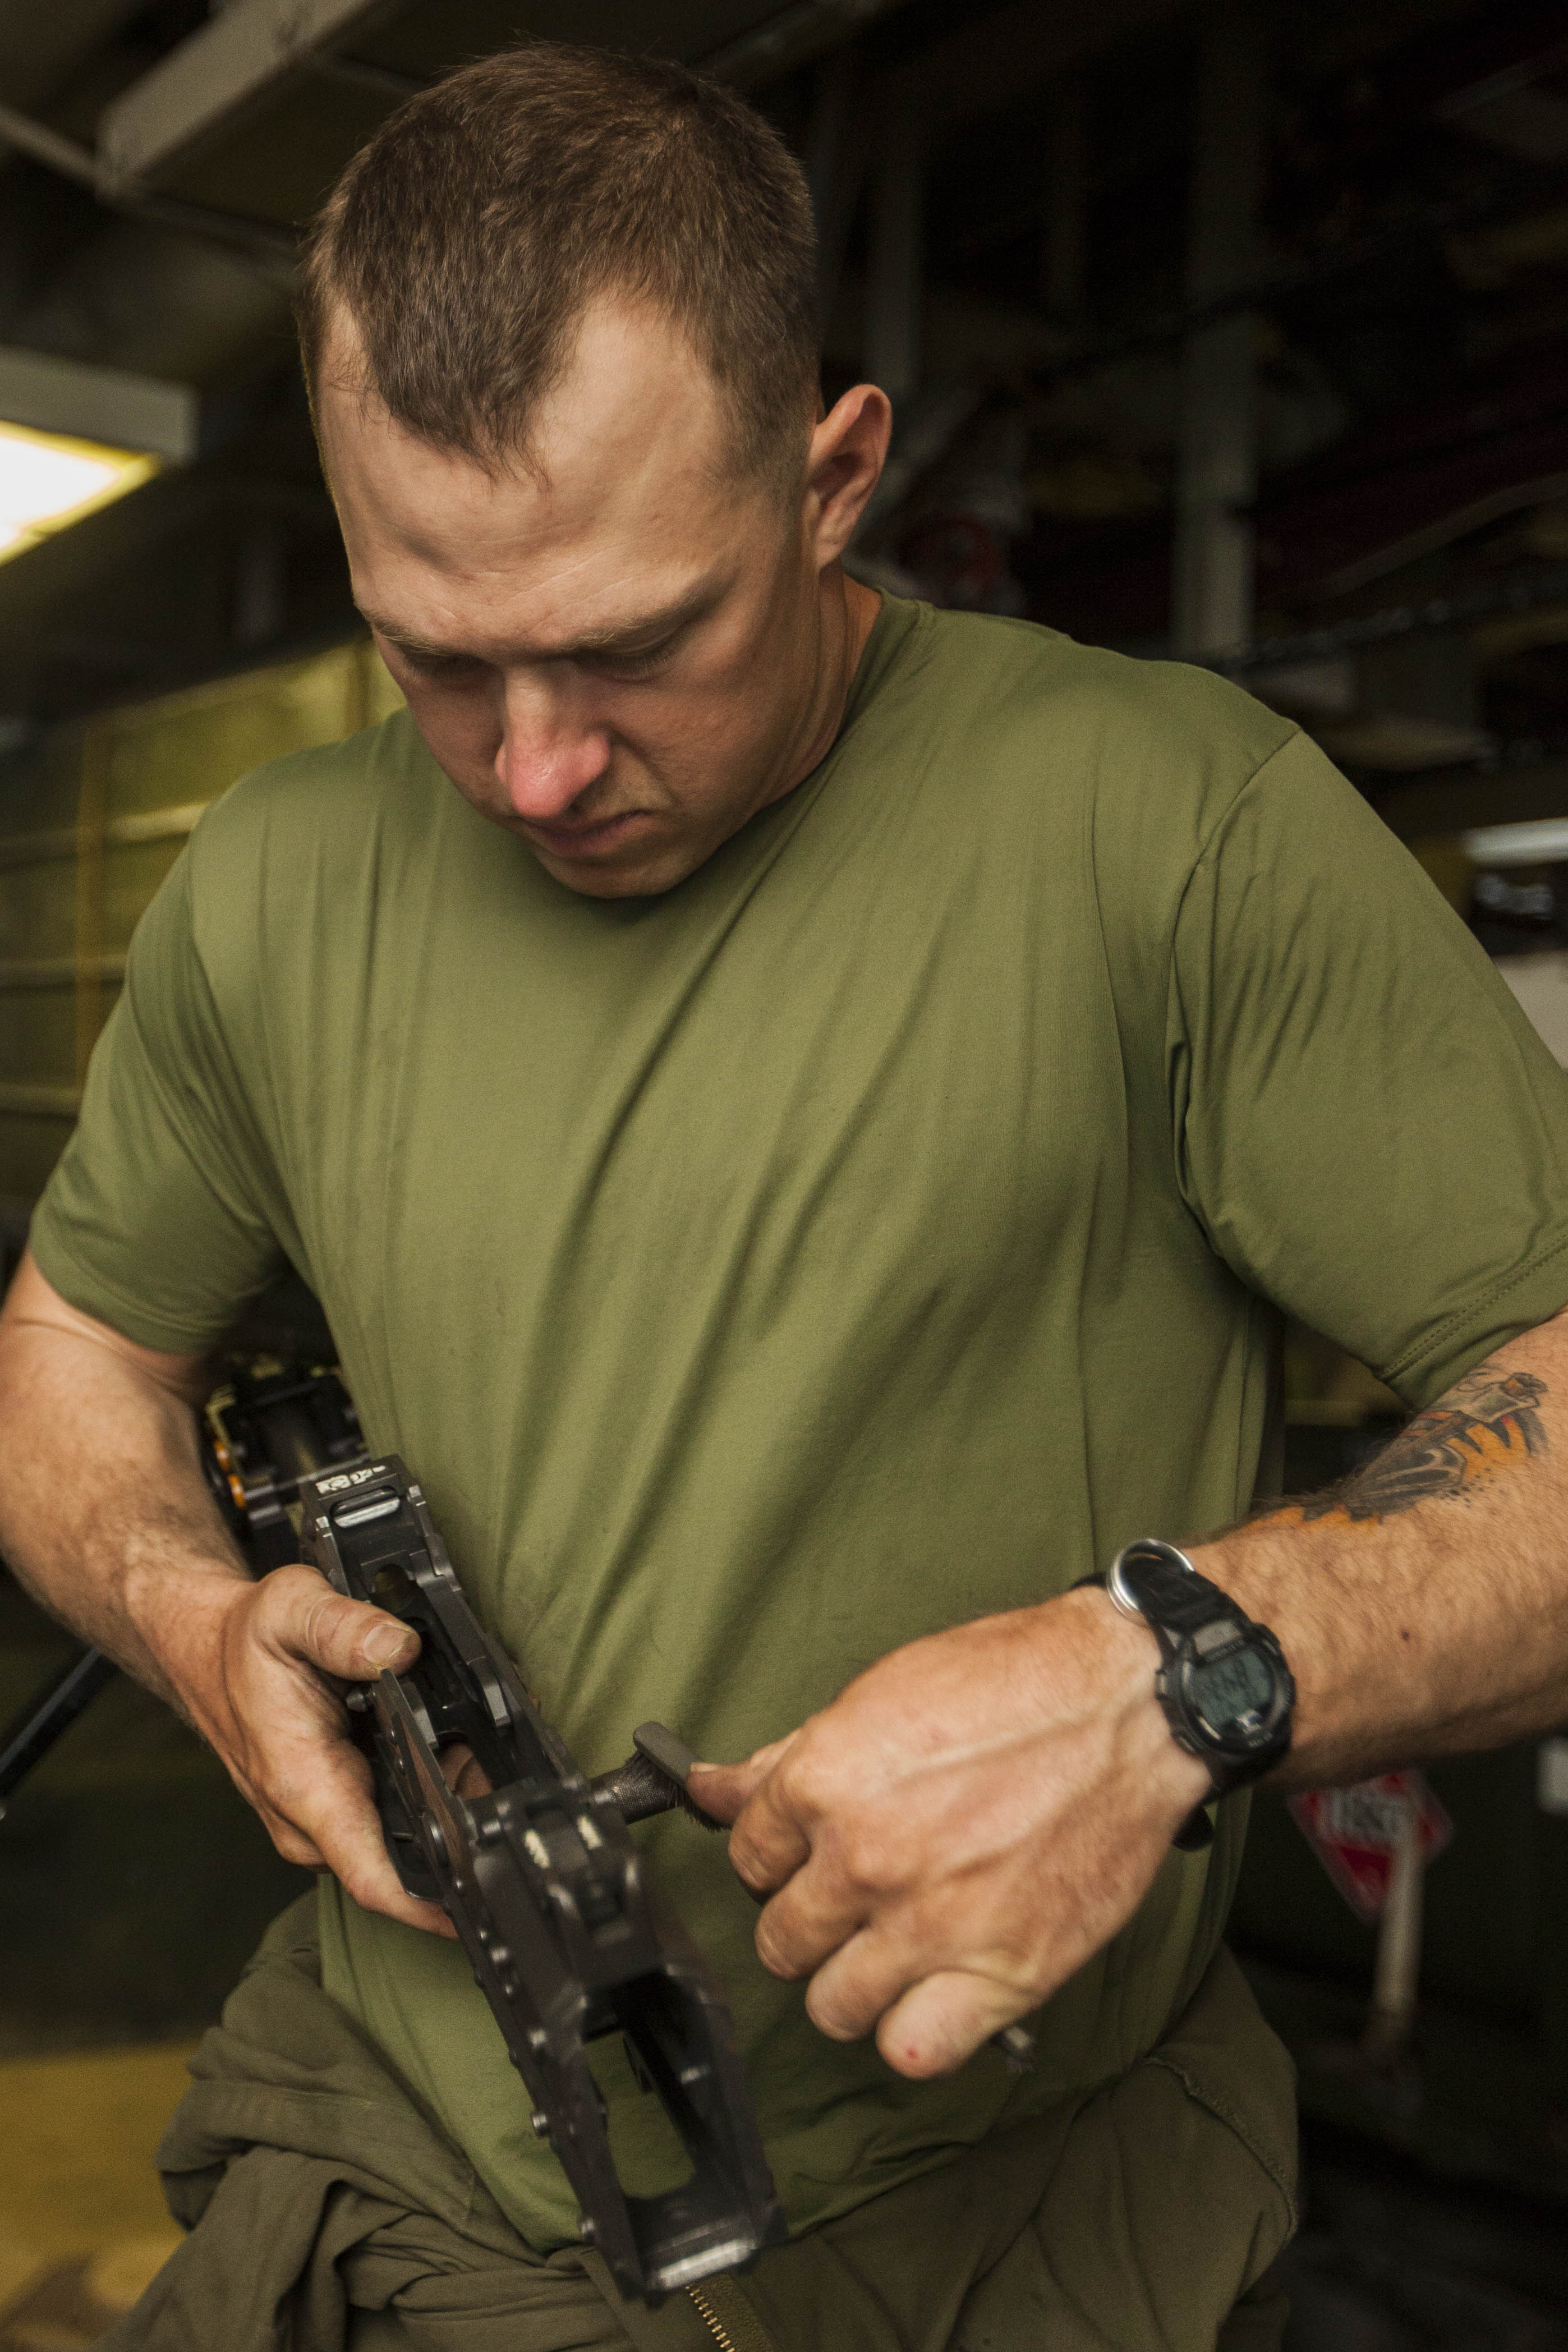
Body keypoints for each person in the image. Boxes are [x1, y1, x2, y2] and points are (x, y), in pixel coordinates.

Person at [3, 40, 1568, 2352]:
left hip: (966, 2231)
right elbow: (74, 1349)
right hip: (376, 2154)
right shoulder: (275, 883)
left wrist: (1175, 1670)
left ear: (837, 475)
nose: (531, 765)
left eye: (638, 642)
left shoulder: (1167, 828)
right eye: (435, 655)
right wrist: (188, 1620)